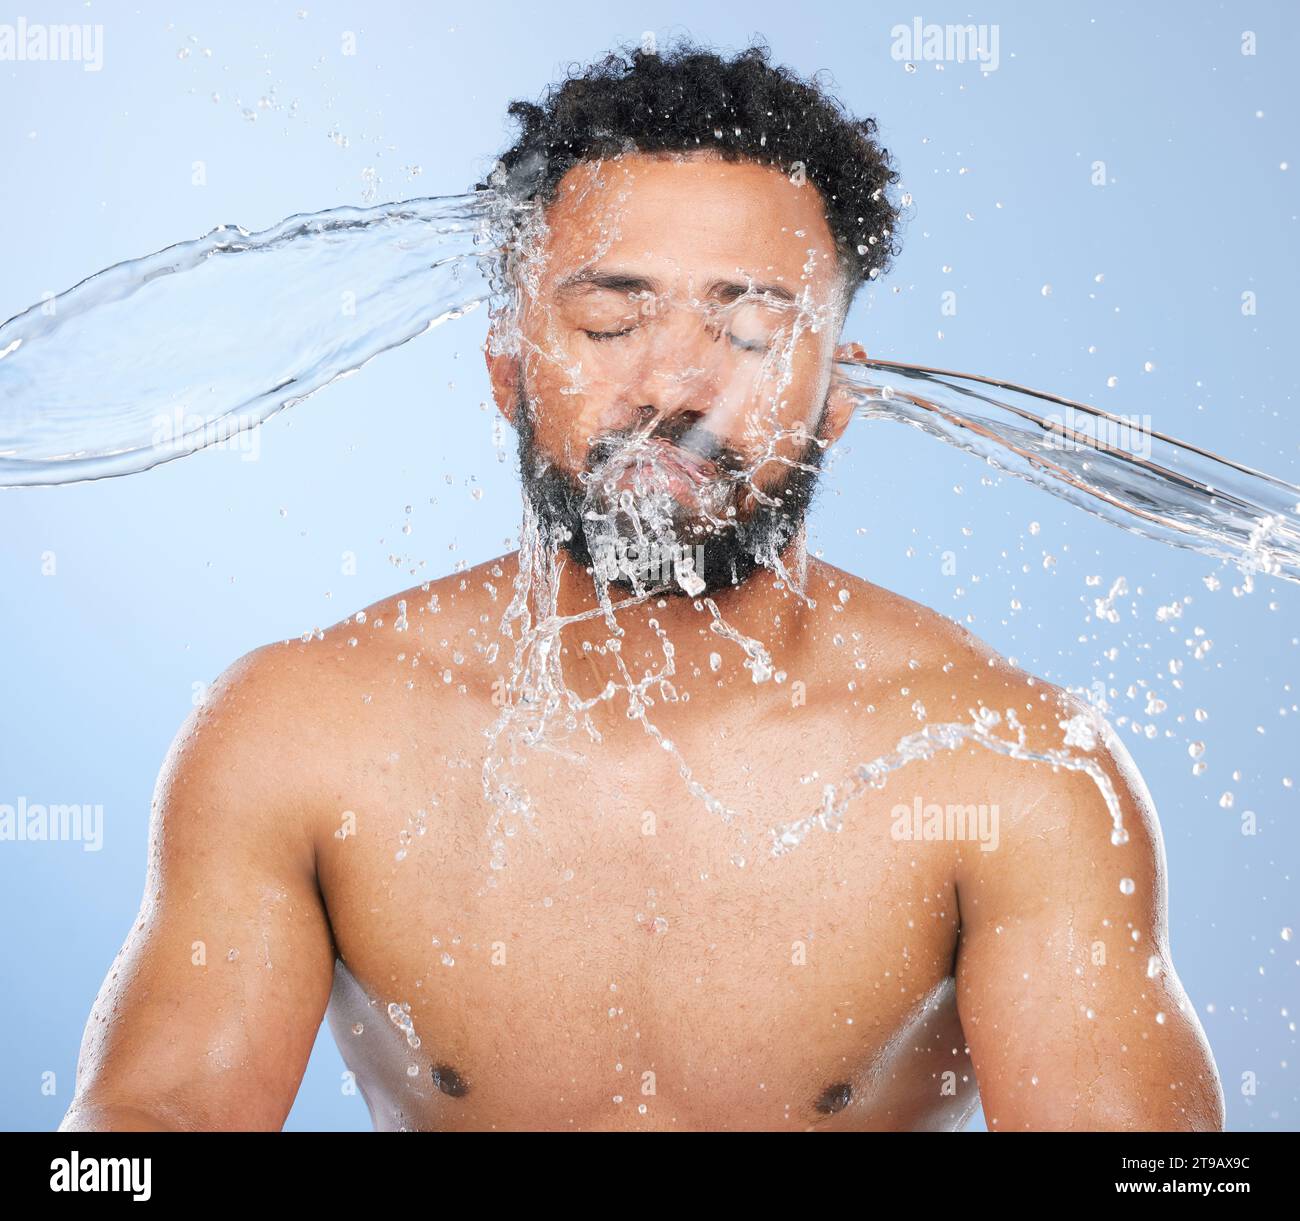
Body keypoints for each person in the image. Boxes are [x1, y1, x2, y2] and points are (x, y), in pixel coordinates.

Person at [60, 39, 1223, 1132]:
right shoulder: (300, 731)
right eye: (611, 318)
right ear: (508, 370)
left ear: (839, 391)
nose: (674, 381)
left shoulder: (1006, 761)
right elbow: (149, 1131)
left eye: (754, 330)